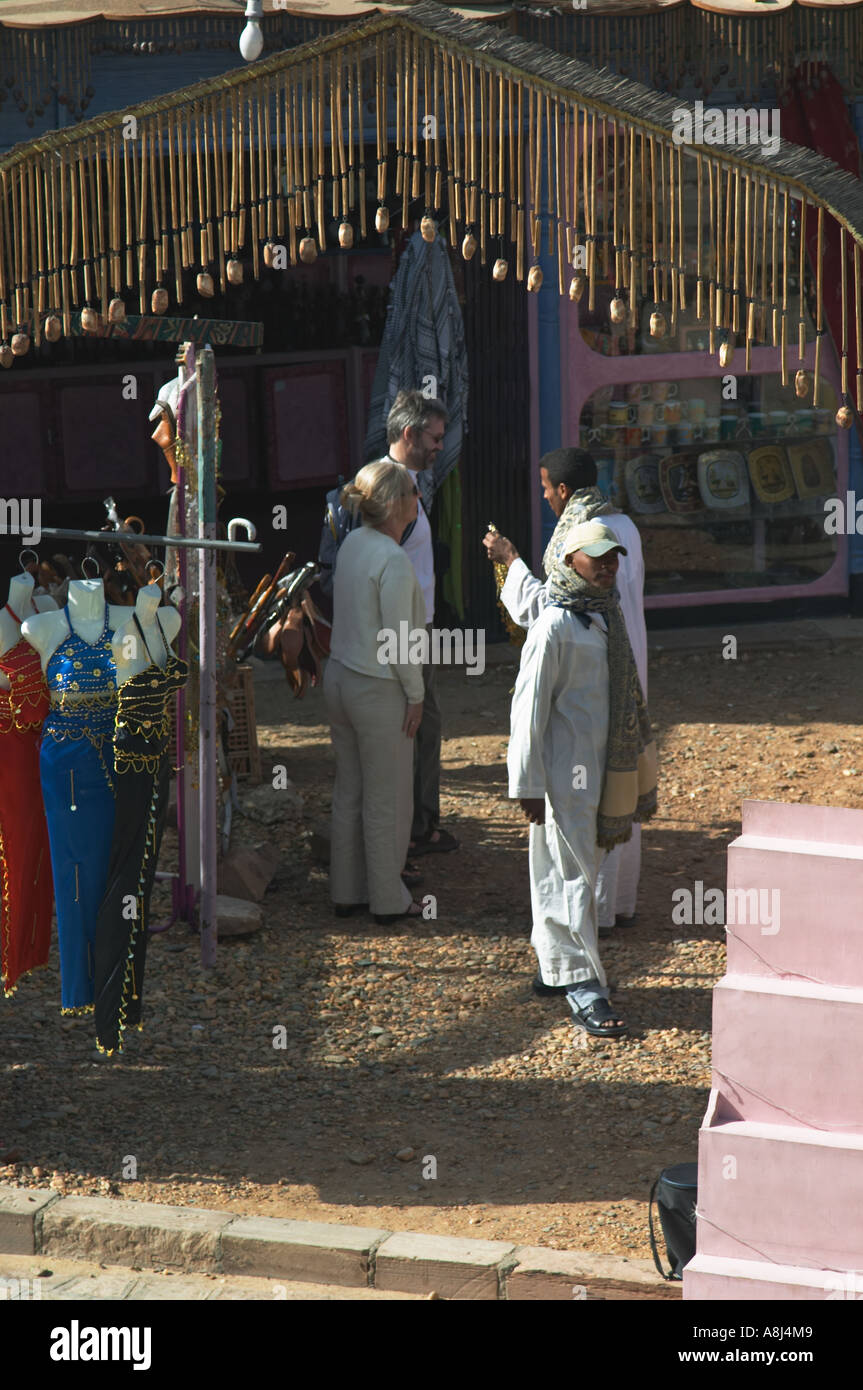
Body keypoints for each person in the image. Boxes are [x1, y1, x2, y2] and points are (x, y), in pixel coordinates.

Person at [484, 447, 646, 954]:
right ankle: (614, 906)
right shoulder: (627, 527)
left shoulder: (573, 541)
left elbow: (545, 610)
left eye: (546, 489)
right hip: (625, 673)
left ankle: (585, 927)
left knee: (579, 816)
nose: (545, 498)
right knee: (618, 790)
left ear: (562, 490)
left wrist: (510, 563)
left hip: (590, 680)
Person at [507, 520, 657, 1039]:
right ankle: (586, 987)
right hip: (564, 773)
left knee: (564, 870)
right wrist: (526, 782)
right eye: (597, 557)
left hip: (596, 771)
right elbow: (527, 709)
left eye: (613, 556)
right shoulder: (554, 625)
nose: (609, 565)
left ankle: (557, 969)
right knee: (573, 876)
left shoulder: (602, 616)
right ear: (571, 561)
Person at [324, 459, 427, 925]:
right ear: (393, 504)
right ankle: (388, 898)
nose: (418, 498)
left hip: (341, 676)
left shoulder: (351, 544)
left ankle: (346, 891)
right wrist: (417, 694)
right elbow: (400, 640)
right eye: (411, 491)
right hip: (377, 686)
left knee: (350, 790)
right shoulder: (392, 559)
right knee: (388, 797)